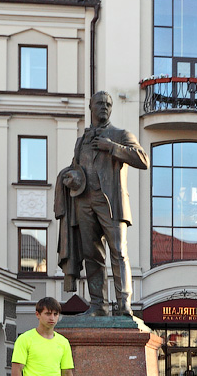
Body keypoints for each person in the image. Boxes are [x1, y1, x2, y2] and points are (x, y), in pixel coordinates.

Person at [56, 90, 148, 317]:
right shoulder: (81, 141)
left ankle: (124, 305)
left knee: (118, 252)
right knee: (92, 254)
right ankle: (98, 305)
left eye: (108, 104)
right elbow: (76, 168)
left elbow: (142, 159)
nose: (104, 107)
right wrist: (69, 177)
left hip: (111, 203)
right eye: (100, 103)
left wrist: (113, 148)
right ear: (91, 106)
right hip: (84, 202)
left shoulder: (119, 134)